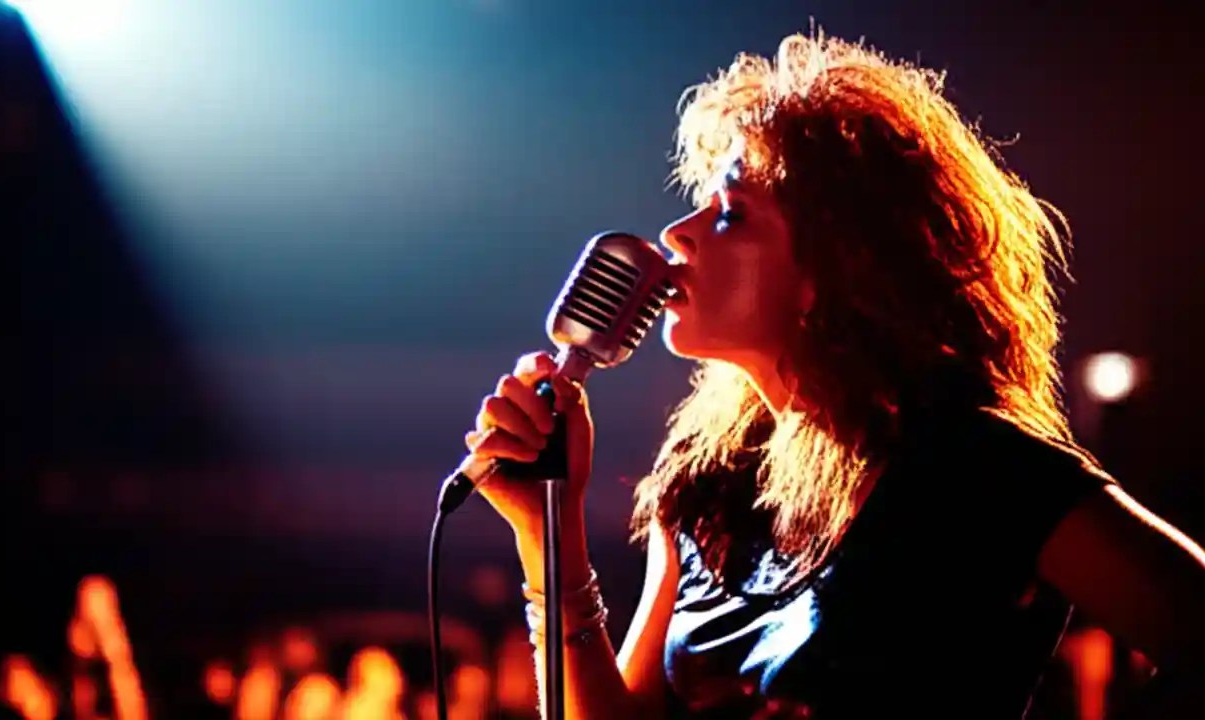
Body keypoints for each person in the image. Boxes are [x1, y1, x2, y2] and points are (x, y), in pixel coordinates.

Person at [460, 30, 1205, 719]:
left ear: (838, 264)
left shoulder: (981, 469)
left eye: (730, 214)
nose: (676, 234)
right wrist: (547, 532)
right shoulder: (707, 486)